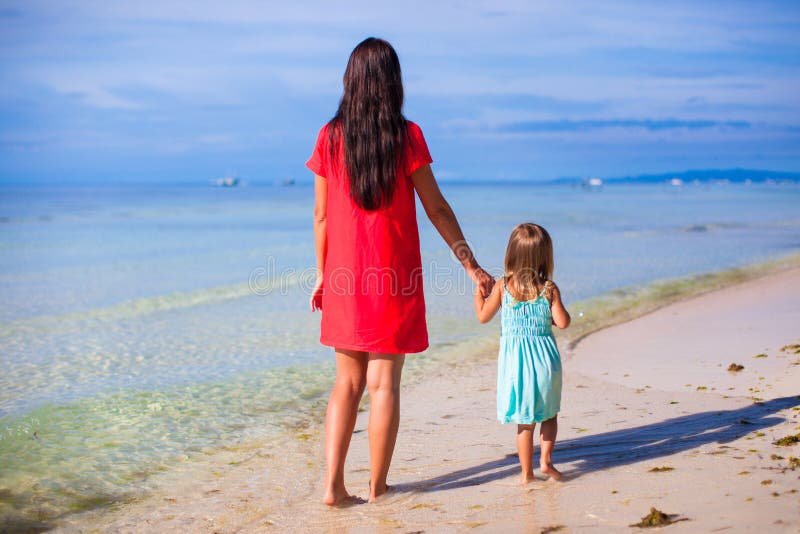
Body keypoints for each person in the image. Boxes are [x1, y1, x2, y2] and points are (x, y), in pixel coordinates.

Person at [307, 37, 494, 505]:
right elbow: (437, 208)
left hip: (345, 279)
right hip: (393, 278)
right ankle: (377, 487)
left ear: (350, 80)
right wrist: (470, 265)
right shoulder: (406, 136)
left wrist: (323, 273)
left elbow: (322, 216)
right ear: (393, 82)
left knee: (346, 384)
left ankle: (332, 487)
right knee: (383, 384)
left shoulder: (329, 137)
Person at [473, 223, 571, 484]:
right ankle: (546, 462)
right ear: (545, 256)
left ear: (511, 254)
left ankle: (527, 474)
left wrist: (478, 296)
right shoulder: (549, 289)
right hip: (546, 365)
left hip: (516, 368)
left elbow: (483, 317)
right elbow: (563, 323)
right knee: (549, 415)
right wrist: (551, 315)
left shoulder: (503, 287)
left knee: (525, 423)